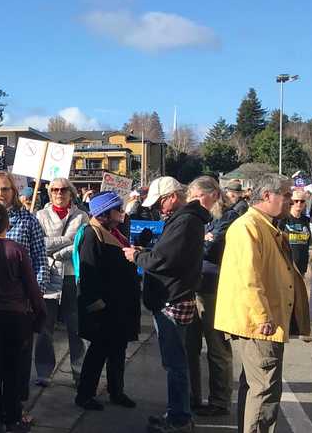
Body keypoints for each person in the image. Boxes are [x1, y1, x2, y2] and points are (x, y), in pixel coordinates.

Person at [215, 173, 310, 433]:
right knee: (264, 389)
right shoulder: (249, 227)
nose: (292, 200)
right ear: (267, 196)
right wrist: (261, 317)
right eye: (287, 195)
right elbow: (248, 278)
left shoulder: (262, 225)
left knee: (257, 386)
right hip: (260, 322)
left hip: (264, 319)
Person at [124, 176, 211, 433]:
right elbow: (168, 256)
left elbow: (164, 259)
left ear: (172, 197)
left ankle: (179, 418)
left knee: (175, 363)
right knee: (176, 362)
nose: (158, 208)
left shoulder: (185, 221)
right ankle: (178, 412)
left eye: (161, 202)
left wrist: (137, 256)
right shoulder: (186, 220)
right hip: (175, 295)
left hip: (172, 298)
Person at [0, 170, 47, 405]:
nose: (0, 194)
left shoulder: (28, 221)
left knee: (19, 364)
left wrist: (35, 297)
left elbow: (40, 261)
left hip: (20, 307)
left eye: (5, 189)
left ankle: (16, 409)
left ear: (13, 192)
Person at [75, 191, 140, 411]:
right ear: (104, 213)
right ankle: (85, 394)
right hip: (104, 307)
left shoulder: (113, 232)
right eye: (117, 209)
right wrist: (96, 305)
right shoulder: (92, 235)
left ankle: (116, 391)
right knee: (98, 352)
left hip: (119, 305)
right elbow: (88, 275)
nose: (121, 212)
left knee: (117, 350)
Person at [186, 176, 234, 418]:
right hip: (193, 286)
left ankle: (220, 400)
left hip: (215, 289)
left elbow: (211, 248)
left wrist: (199, 242)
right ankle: (192, 396)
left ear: (214, 194)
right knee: (190, 346)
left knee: (217, 347)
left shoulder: (228, 218)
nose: (193, 202)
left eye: (197, 197)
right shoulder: (200, 219)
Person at [33, 177, 89, 387]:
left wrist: (61, 250)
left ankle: (79, 372)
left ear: (71, 193)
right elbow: (40, 243)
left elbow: (81, 243)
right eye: (55, 189)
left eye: (63, 189)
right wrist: (68, 241)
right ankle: (44, 372)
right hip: (47, 275)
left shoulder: (82, 216)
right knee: (45, 328)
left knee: (76, 328)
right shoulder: (40, 215)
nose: (59, 193)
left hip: (72, 276)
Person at [283, 189, 312, 275]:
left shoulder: (307, 220)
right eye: (296, 201)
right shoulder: (283, 220)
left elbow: (309, 242)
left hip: (302, 265)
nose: (299, 203)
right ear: (291, 202)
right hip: (287, 265)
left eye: (302, 201)